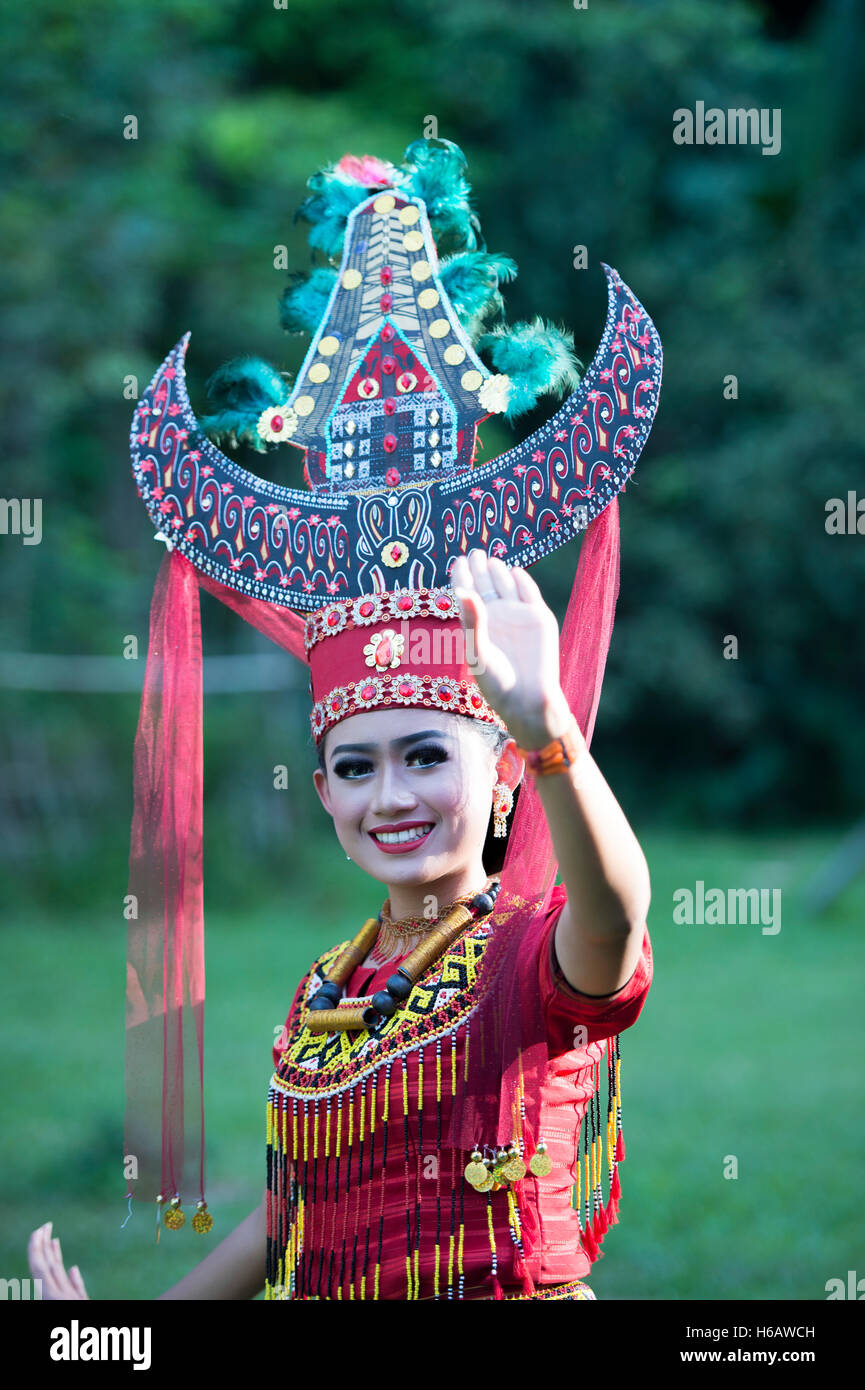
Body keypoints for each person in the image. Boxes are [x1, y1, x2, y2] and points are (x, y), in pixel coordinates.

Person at [28, 137, 661, 1299]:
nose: (392, 795)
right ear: (322, 791)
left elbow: (618, 911)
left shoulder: (527, 952)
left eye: (427, 754)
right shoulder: (332, 989)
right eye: (355, 767)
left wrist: (547, 725)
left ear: (504, 772)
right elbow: (290, 1220)